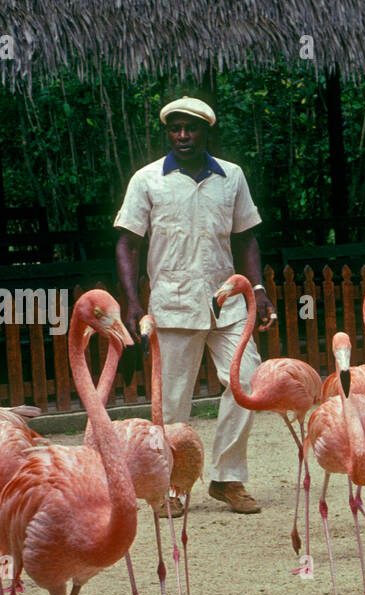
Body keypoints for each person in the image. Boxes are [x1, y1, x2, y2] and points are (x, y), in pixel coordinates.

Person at [114, 95, 278, 514]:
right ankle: (171, 485)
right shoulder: (147, 179)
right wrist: (132, 302)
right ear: (168, 132)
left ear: (207, 131)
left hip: (228, 302)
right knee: (171, 403)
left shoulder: (232, 177)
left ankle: (227, 478)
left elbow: (247, 238)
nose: (183, 135)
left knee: (249, 381)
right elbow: (128, 242)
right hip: (171, 303)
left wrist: (257, 289)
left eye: (192, 128)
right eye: (175, 128)